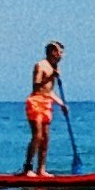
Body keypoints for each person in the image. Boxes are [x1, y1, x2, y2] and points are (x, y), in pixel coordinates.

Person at [25, 41, 65, 178]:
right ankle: (28, 168)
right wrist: (51, 75)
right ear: (53, 51)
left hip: (47, 103)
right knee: (38, 135)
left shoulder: (53, 67)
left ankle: (41, 169)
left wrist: (61, 104)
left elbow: (49, 91)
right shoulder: (40, 65)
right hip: (36, 101)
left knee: (46, 138)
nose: (61, 55)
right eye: (60, 52)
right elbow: (36, 85)